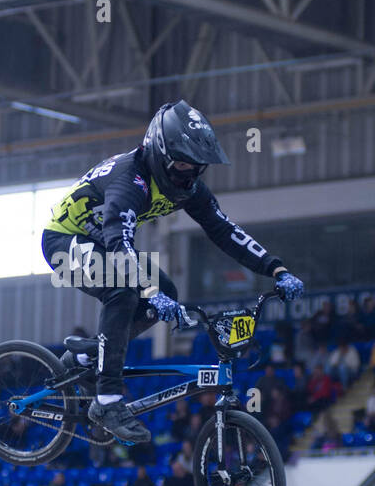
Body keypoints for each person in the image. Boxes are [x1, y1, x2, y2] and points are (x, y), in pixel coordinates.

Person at [41, 100, 305, 443]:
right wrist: (149, 291)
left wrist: (276, 268)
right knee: (123, 289)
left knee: (166, 291)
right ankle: (106, 401)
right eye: (182, 165)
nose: (190, 175)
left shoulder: (189, 187)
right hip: (65, 242)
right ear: (160, 154)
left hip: (105, 245)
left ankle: (86, 354)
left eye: (197, 168)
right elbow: (119, 242)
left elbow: (224, 230)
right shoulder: (129, 180)